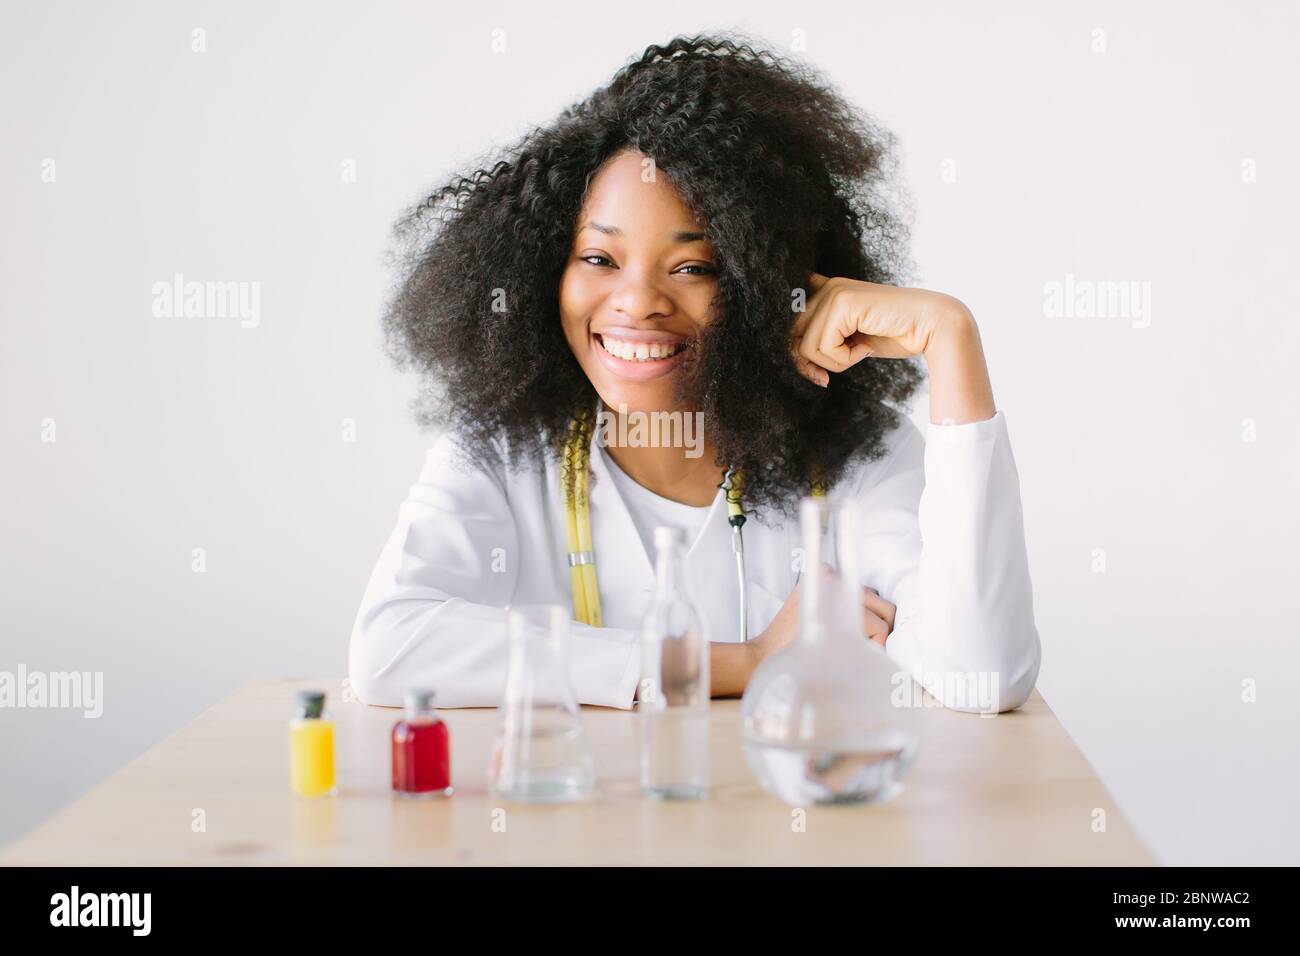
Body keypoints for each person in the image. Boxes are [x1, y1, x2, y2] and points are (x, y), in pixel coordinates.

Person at [348, 35, 1041, 713]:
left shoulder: (857, 456)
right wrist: (740, 663)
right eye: (598, 260)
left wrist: (951, 339)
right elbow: (389, 647)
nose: (638, 302)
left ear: (764, 283)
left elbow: (981, 673)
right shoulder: (502, 452)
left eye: (694, 268)